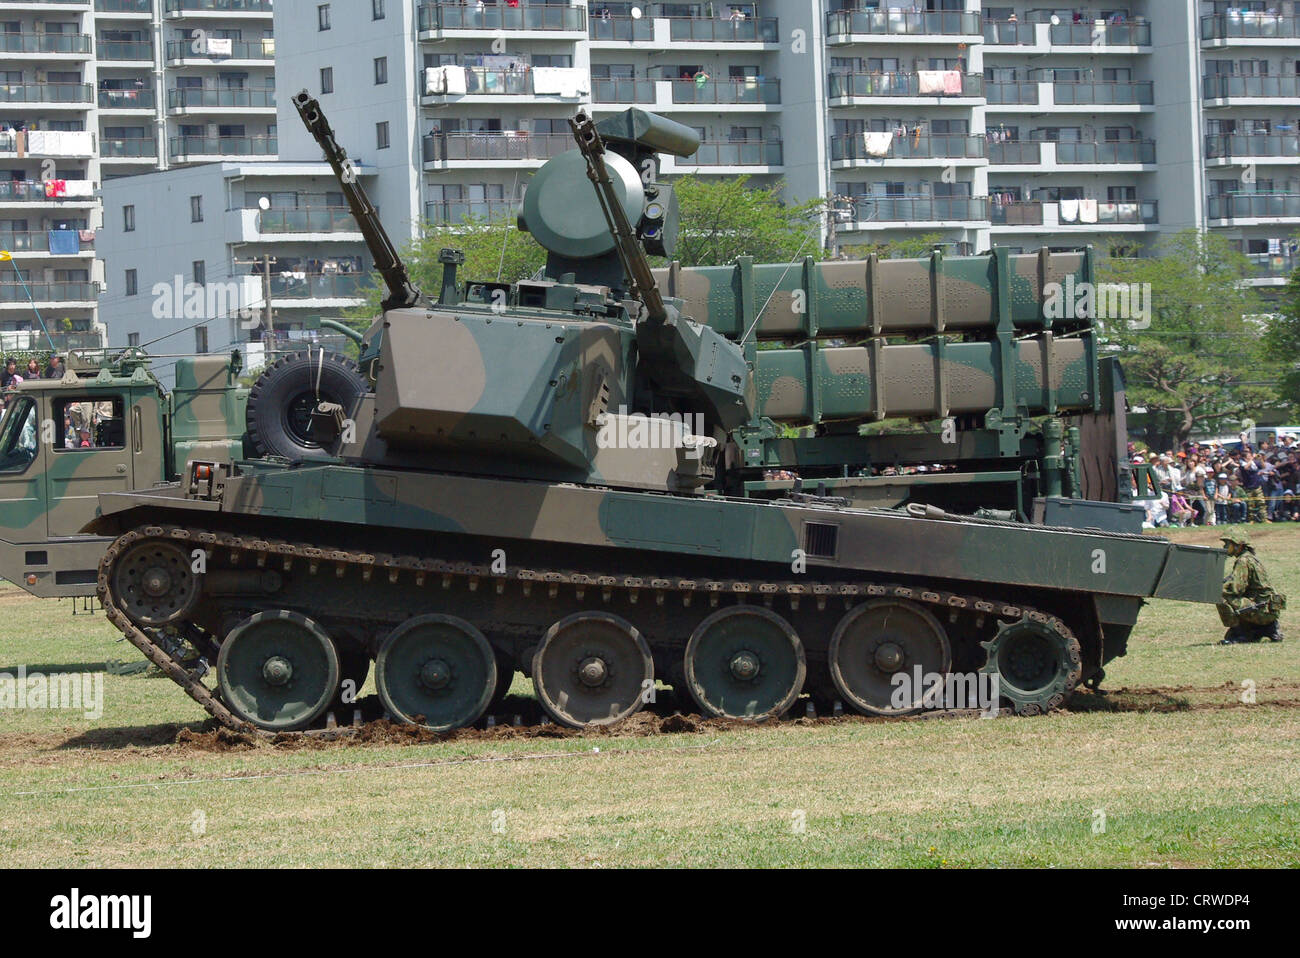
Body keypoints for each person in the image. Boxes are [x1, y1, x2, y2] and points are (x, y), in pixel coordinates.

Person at [1217, 529, 1286, 643]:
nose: (1225, 547)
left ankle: (1240, 634)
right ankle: (1268, 628)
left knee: (1219, 595)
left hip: (1261, 610)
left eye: (1228, 544)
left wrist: (1216, 587)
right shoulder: (1250, 558)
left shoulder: (1243, 561)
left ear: (1238, 546)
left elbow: (1236, 589)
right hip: (1269, 610)